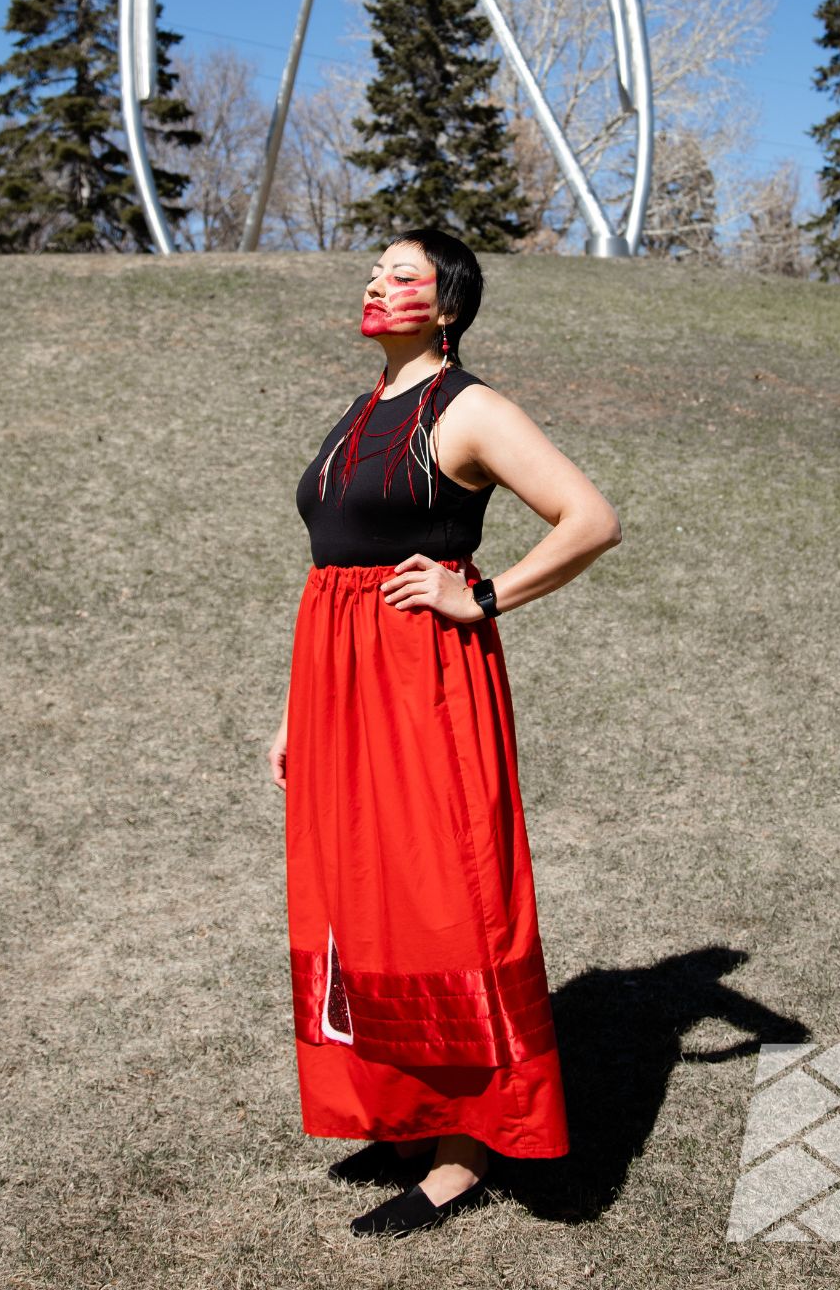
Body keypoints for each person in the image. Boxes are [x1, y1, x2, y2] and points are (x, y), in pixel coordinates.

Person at [268, 226, 621, 1240]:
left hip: (422, 682)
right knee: (360, 900)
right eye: (374, 271)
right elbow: (332, 564)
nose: (377, 284)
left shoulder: (469, 410)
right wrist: (295, 711)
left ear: (449, 305)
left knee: (441, 901)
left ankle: (467, 1150)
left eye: (402, 274)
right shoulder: (362, 407)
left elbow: (590, 519)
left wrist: (484, 595)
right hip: (339, 686)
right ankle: (408, 1110)